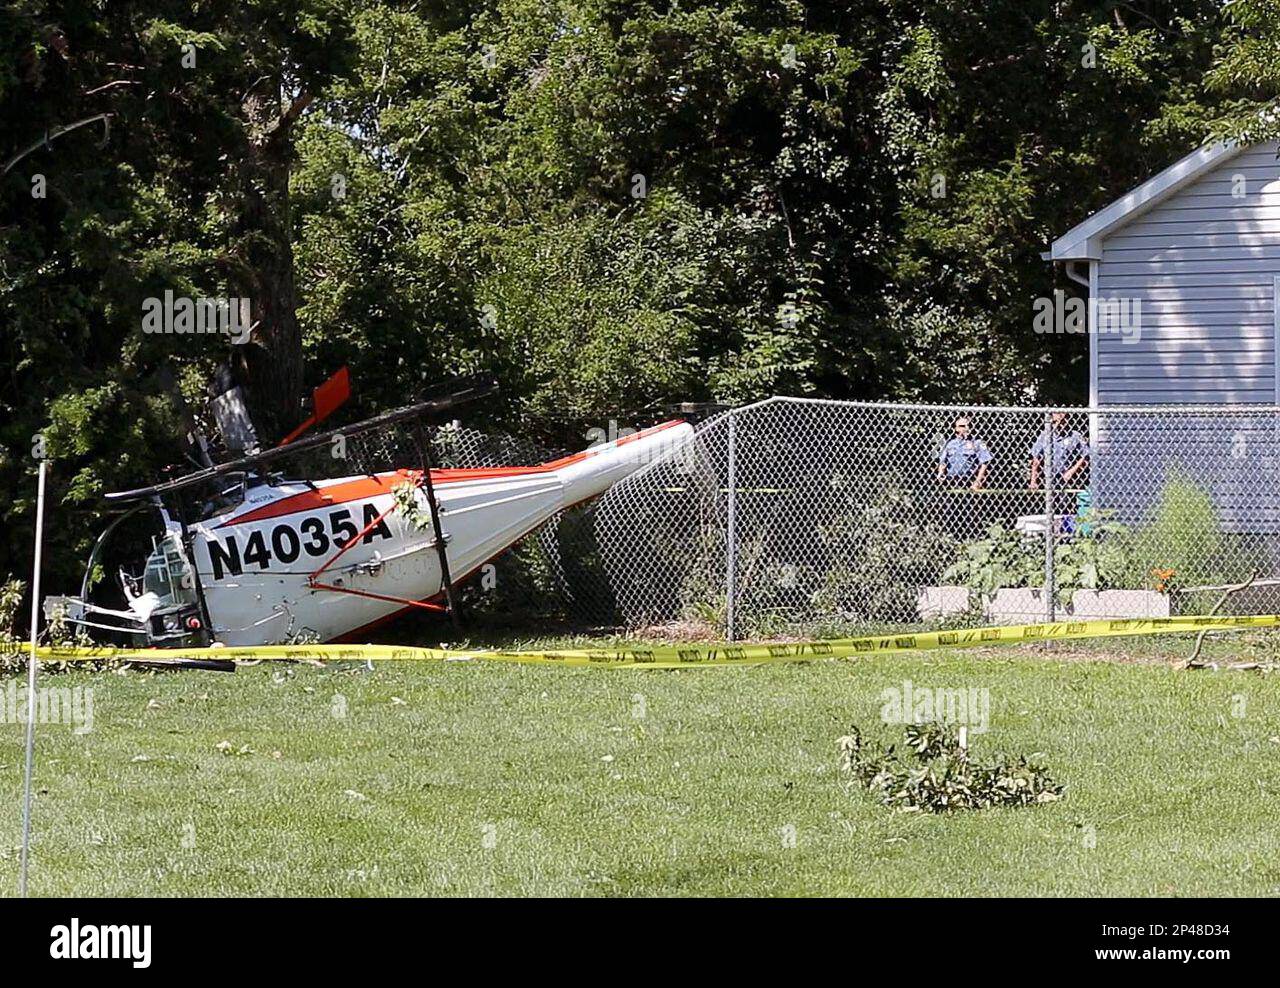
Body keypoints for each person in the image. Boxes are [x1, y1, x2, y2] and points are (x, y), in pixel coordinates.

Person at [1028, 412, 1089, 490]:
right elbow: (1036, 459)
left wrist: (1071, 471)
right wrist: (1033, 481)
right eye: (1056, 422)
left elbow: (1086, 456)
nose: (1059, 425)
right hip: (1048, 478)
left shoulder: (1075, 436)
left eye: (1063, 421)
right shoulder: (1045, 435)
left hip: (1067, 480)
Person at [936, 416, 992, 491]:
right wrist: (941, 475)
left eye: (969, 425)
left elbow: (985, 464)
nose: (967, 428)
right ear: (956, 429)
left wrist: (977, 482)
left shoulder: (977, 442)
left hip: (968, 482)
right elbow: (943, 462)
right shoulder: (950, 443)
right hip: (950, 482)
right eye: (962, 426)